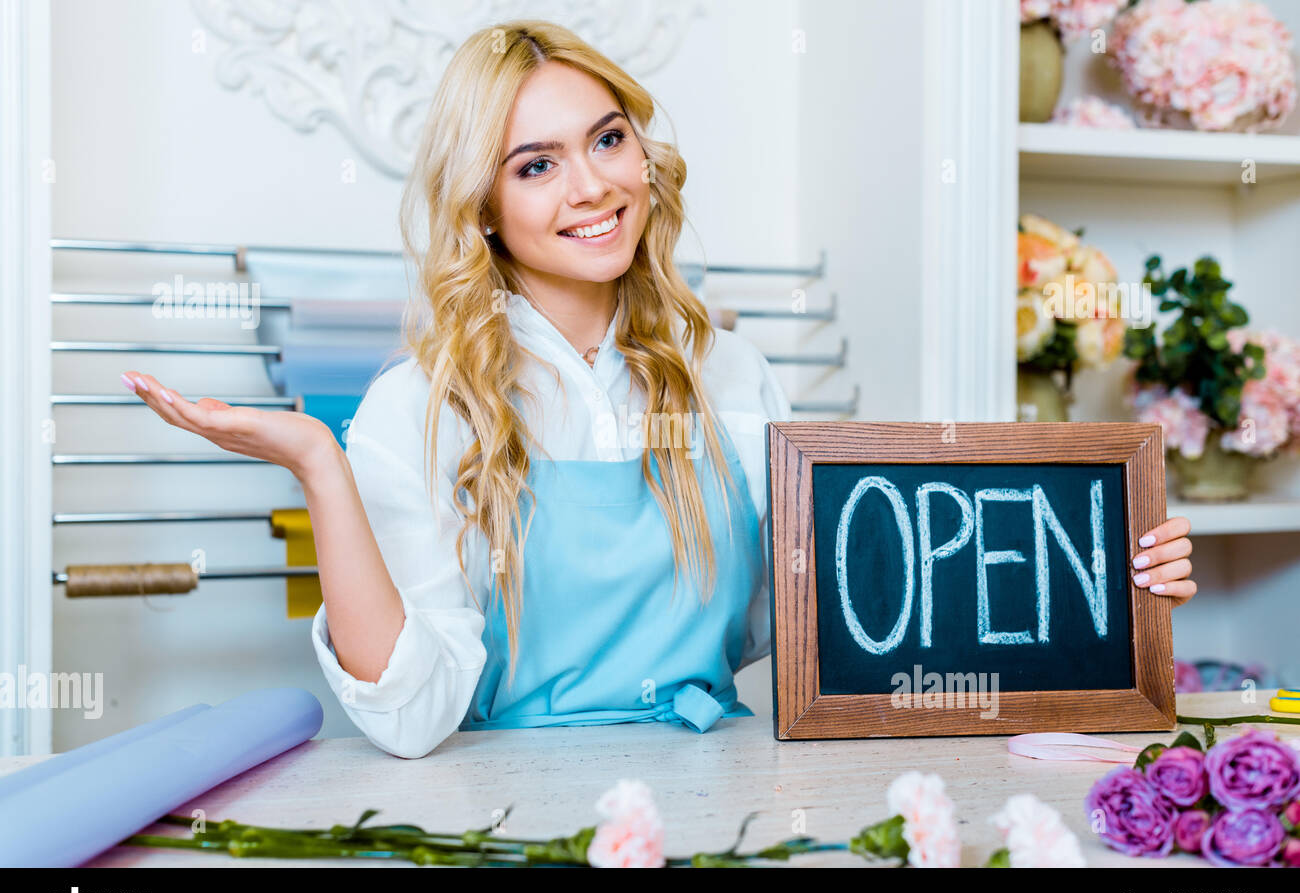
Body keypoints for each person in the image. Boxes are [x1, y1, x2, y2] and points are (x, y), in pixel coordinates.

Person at [121, 20, 1197, 760]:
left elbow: (848, 627)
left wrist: (1101, 575)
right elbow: (410, 722)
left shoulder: (733, 376)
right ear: (483, 208)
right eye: (535, 164)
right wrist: (319, 461)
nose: (592, 186)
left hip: (729, 787)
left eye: (606, 138)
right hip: (506, 809)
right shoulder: (419, 408)